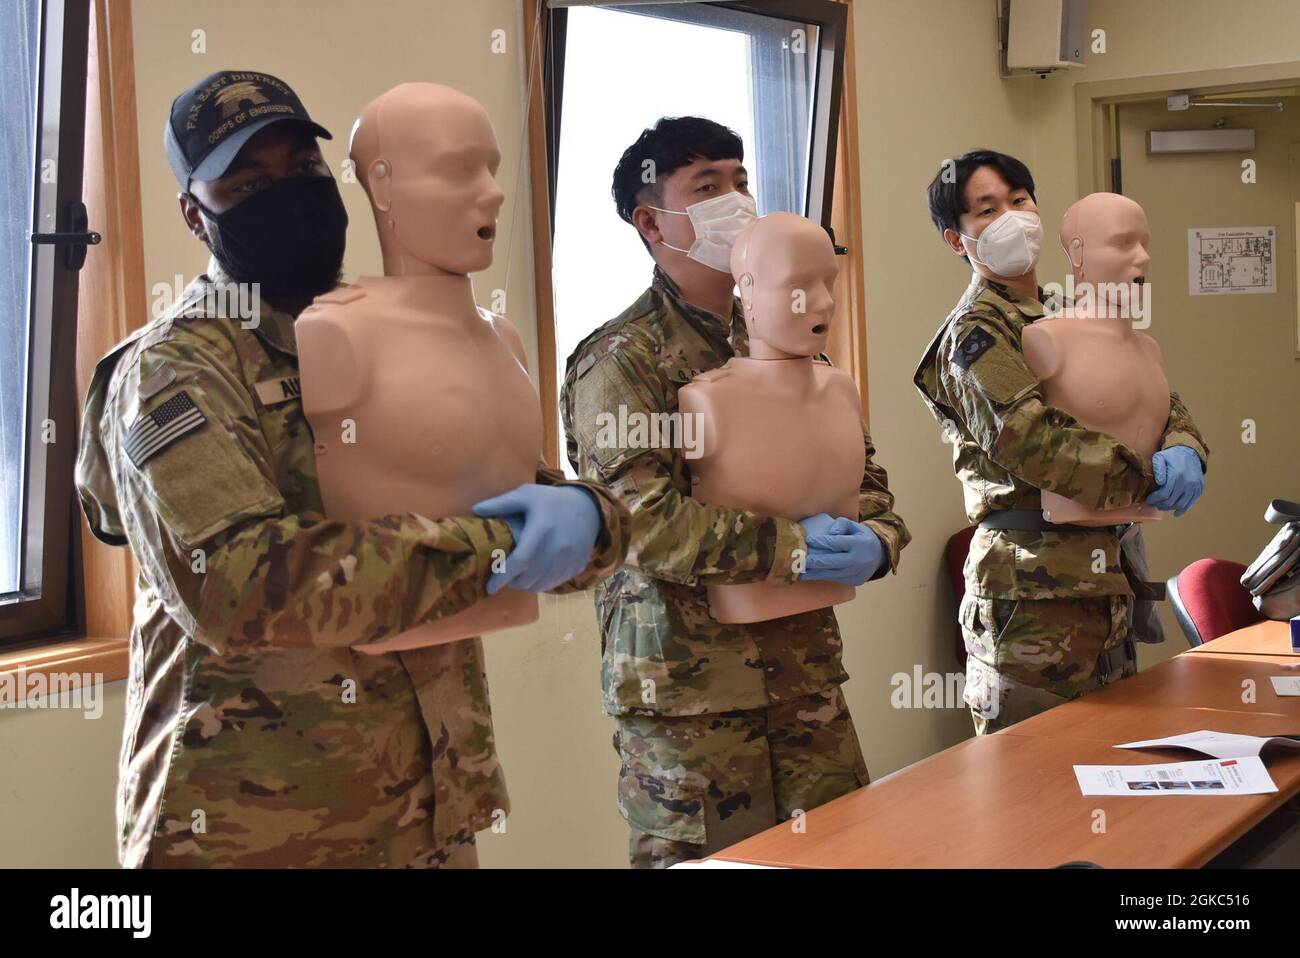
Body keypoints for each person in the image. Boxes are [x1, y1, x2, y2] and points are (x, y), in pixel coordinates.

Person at [74, 70, 629, 868]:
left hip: (431, 802)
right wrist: (496, 550)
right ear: (195, 215)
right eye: (248, 182)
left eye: (301, 169)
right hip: (249, 830)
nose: (287, 193)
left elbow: (530, 506)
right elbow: (233, 583)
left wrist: (591, 518)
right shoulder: (175, 369)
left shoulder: (399, 339)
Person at [561, 116, 910, 868]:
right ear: (652, 221)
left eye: (742, 180)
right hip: (691, 696)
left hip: (804, 670)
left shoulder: (787, 340)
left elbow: (866, 480)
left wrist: (877, 544)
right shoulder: (624, 360)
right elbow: (640, 521)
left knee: (842, 855)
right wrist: (791, 547)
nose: (737, 201)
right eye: (709, 186)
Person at [914, 148, 1209, 735]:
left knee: (1116, 759)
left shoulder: (1068, 310)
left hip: (1105, 582)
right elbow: (1027, 440)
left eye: (1019, 200)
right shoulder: (978, 332)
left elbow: (1154, 395)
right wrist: (1148, 474)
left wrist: (1185, 445)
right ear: (957, 239)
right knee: (1033, 785)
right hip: (1031, 595)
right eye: (987, 209)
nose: (1011, 217)